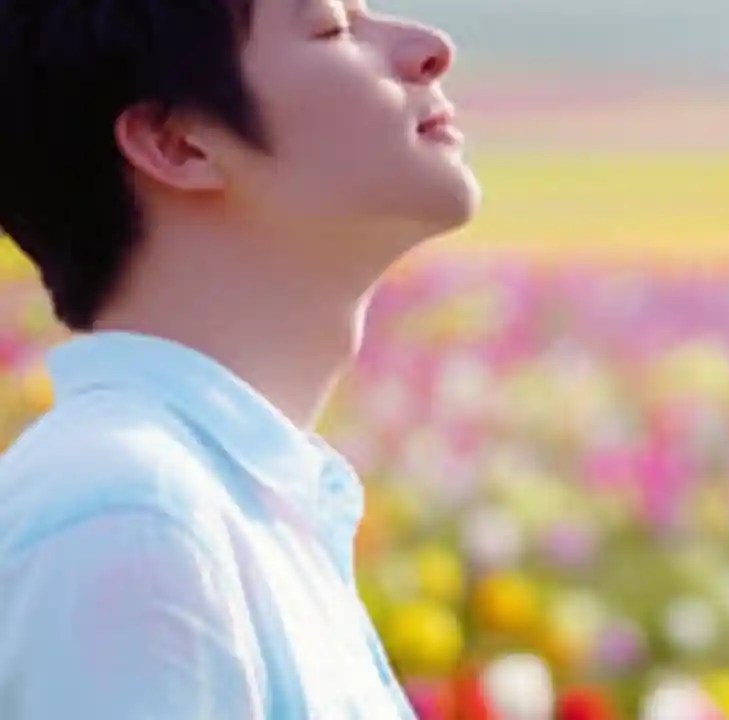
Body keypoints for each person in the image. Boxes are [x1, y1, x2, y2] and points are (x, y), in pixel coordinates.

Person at [0, 0, 480, 716]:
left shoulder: (228, 505)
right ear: (179, 143)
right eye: (332, 26)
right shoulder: (133, 519)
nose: (430, 47)